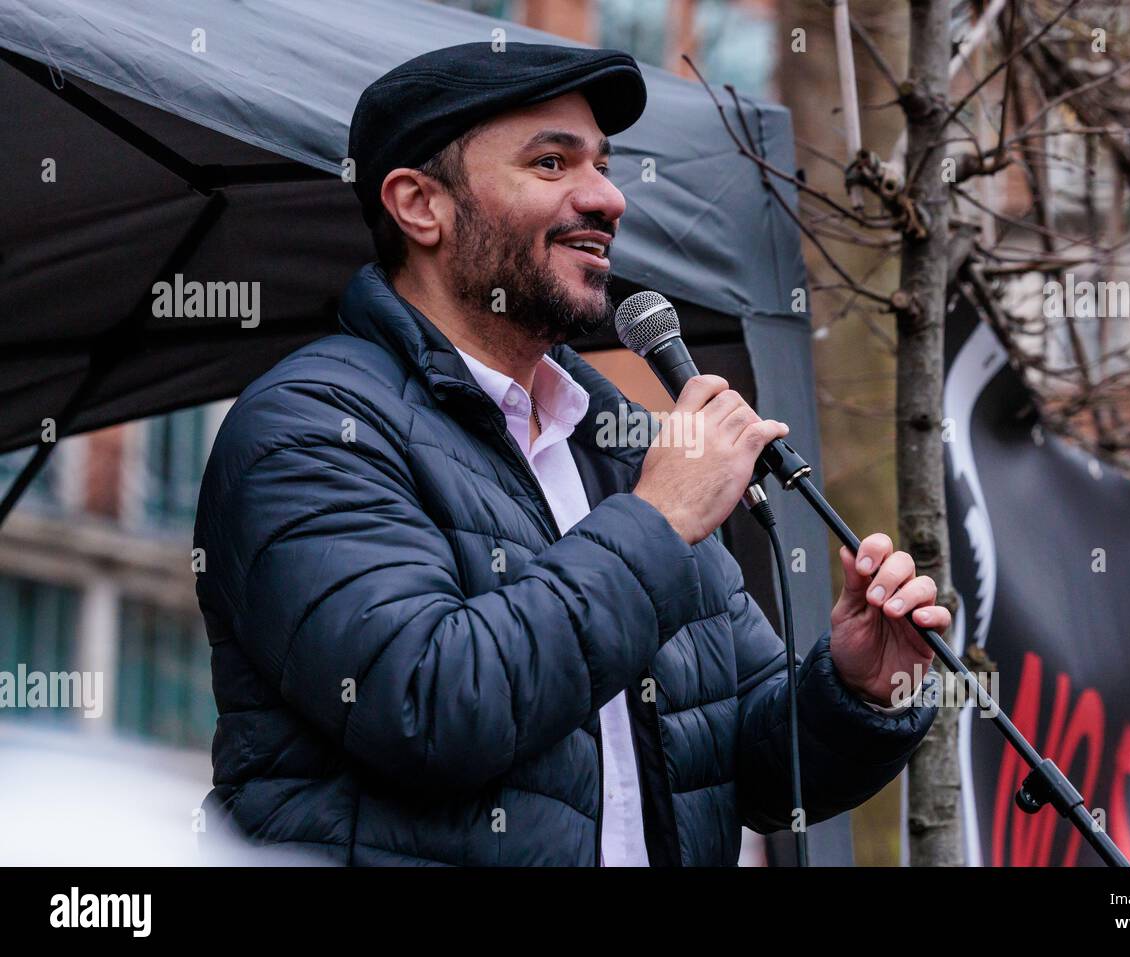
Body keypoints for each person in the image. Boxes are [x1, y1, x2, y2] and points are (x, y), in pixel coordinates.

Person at [194, 42, 950, 866]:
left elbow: (744, 769)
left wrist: (856, 689)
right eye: (551, 162)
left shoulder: (621, 446)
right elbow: (429, 705)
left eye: (603, 165)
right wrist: (657, 523)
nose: (607, 197)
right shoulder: (308, 428)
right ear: (420, 206)